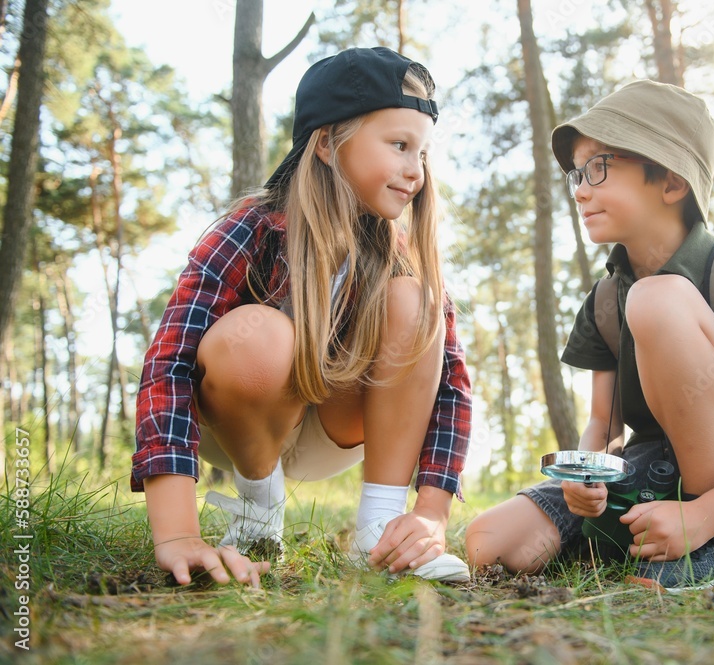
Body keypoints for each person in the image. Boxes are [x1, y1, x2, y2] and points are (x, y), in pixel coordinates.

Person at [465, 80, 714, 590]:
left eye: (599, 166)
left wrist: (704, 515)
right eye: (577, 172)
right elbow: (604, 423)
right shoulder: (605, 300)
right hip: (652, 467)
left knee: (658, 298)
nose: (580, 187)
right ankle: (636, 534)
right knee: (489, 542)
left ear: (670, 182)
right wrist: (586, 480)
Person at [133, 47, 472, 588]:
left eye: (424, 153)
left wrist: (430, 512)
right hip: (244, 422)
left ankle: (380, 532)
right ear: (325, 144)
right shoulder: (251, 227)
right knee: (258, 335)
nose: (416, 171)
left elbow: (451, 385)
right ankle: (257, 515)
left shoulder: (399, 251)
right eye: (400, 145)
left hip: (341, 427)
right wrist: (176, 531)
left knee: (416, 301)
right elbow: (167, 365)